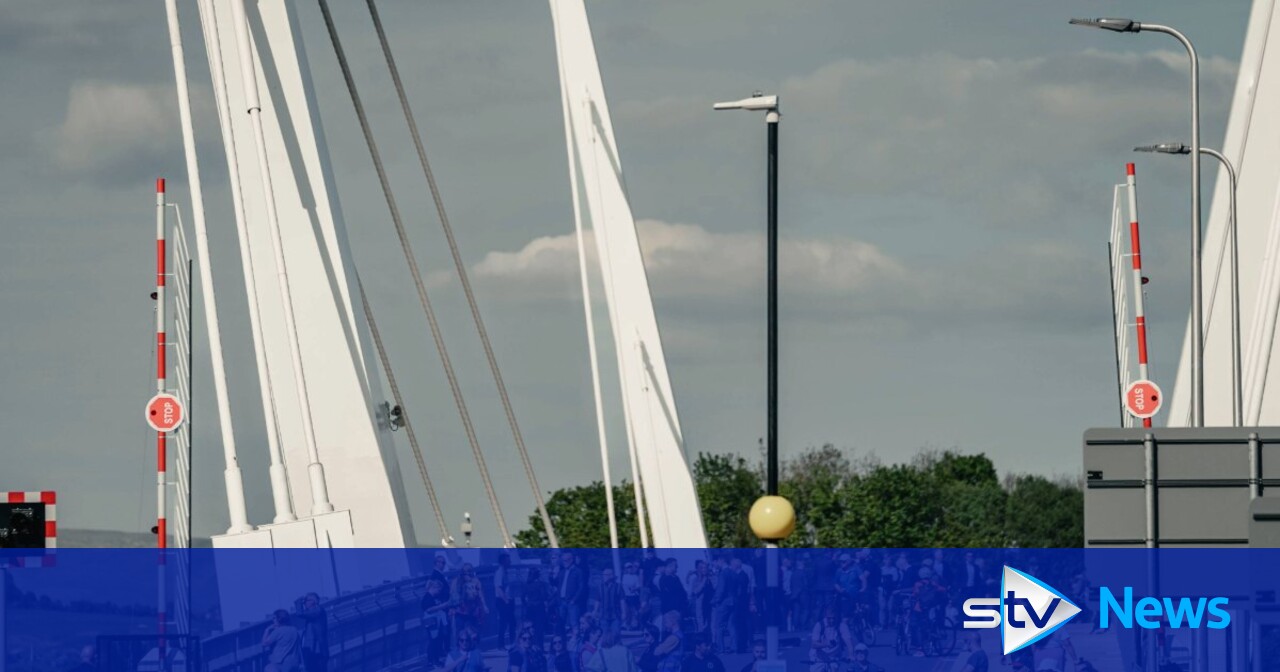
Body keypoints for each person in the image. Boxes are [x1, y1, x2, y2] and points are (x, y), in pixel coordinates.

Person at [809, 605, 853, 672]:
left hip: (834, 657)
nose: (832, 620)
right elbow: (814, 644)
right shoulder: (819, 625)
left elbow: (849, 642)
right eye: (829, 618)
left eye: (834, 618)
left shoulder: (842, 625)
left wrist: (851, 655)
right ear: (825, 616)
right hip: (818, 658)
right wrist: (826, 644)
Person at [296, 592, 329, 672]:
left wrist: (298, 601)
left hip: (318, 651)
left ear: (313, 601)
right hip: (315, 651)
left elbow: (300, 613)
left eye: (306, 601)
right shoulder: (314, 613)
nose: (304, 603)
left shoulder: (317, 610)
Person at [496, 553, 517, 647]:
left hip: (508, 600)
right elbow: (498, 588)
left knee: (512, 622)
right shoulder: (499, 573)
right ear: (504, 561)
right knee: (504, 623)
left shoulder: (505, 572)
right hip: (503, 601)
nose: (510, 562)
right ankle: (501, 644)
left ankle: (513, 642)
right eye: (508, 560)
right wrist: (506, 600)